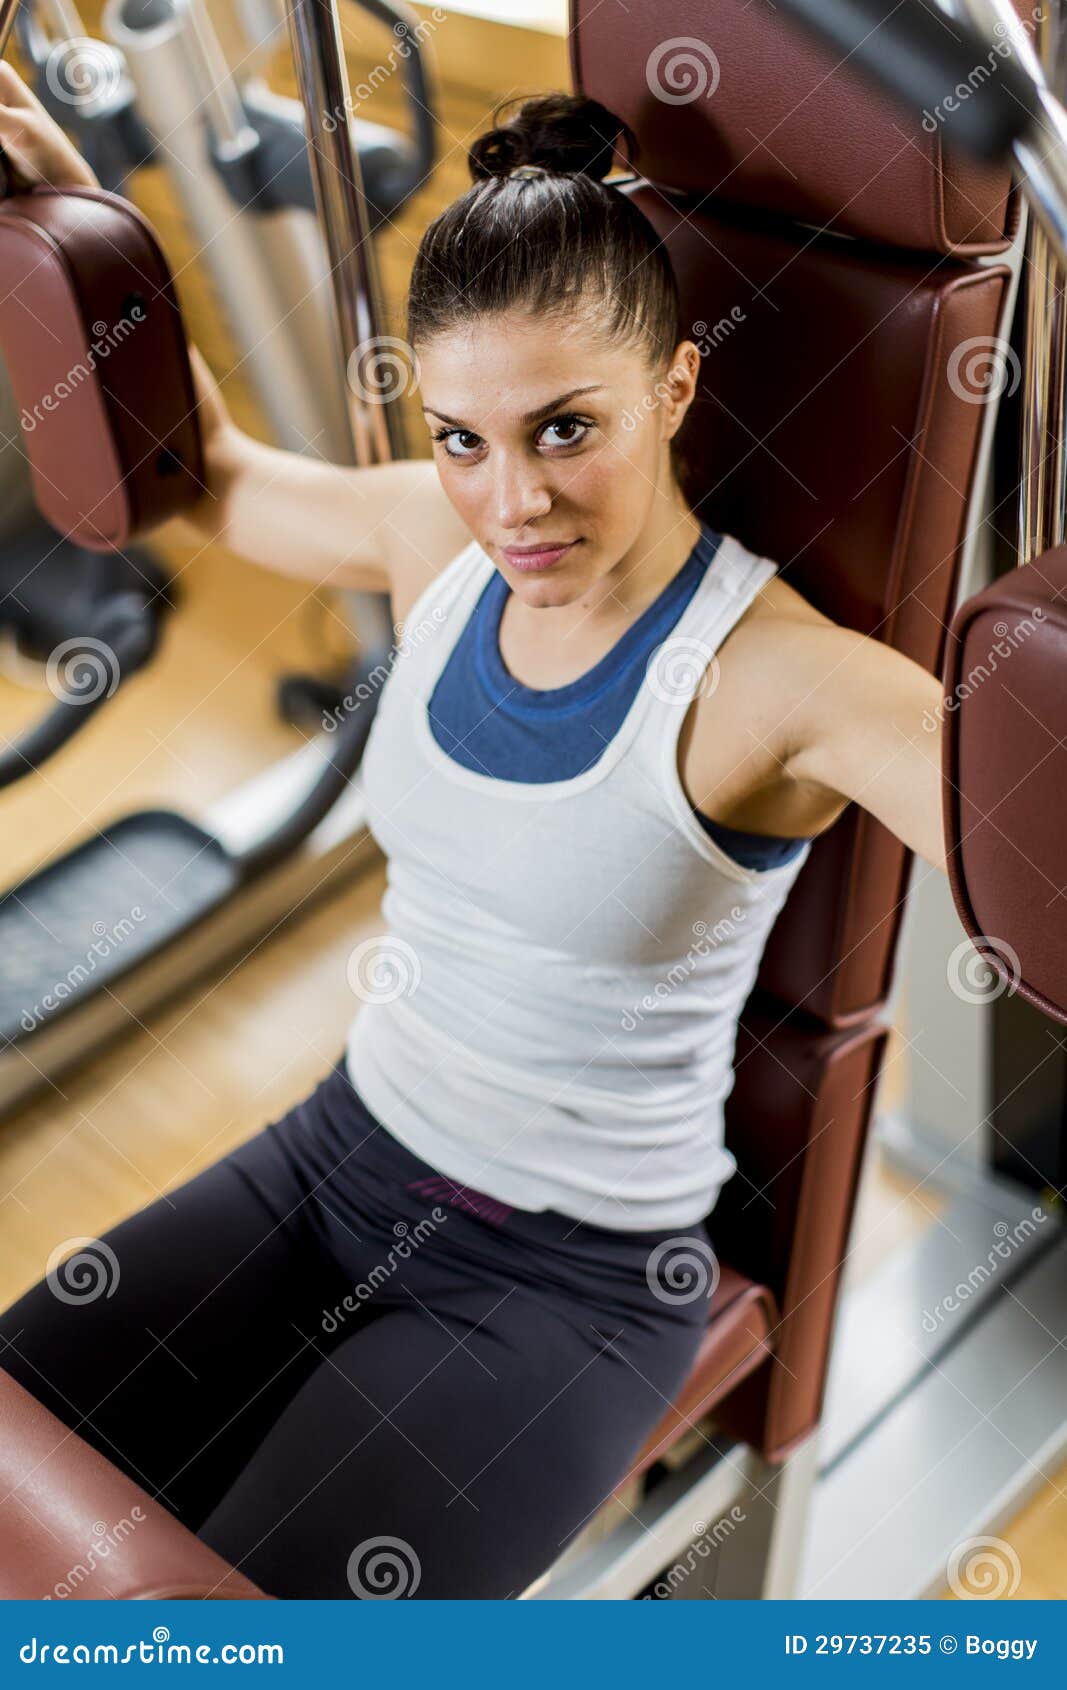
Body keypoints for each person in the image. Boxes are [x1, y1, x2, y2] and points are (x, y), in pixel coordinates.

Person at [0, 68, 946, 1599]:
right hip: (334, 1157)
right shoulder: (437, 536)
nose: (516, 504)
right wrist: (72, 222)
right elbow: (211, 479)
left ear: (678, 387)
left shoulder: (790, 683)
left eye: (567, 428)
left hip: (567, 1277)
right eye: (462, 436)